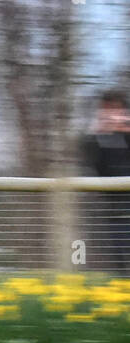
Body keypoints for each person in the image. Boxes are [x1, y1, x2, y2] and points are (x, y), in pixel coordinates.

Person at [80, 90, 130, 277]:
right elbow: (93, 169)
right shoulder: (96, 141)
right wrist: (100, 134)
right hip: (113, 214)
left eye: (115, 109)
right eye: (106, 110)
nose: (111, 115)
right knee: (118, 267)